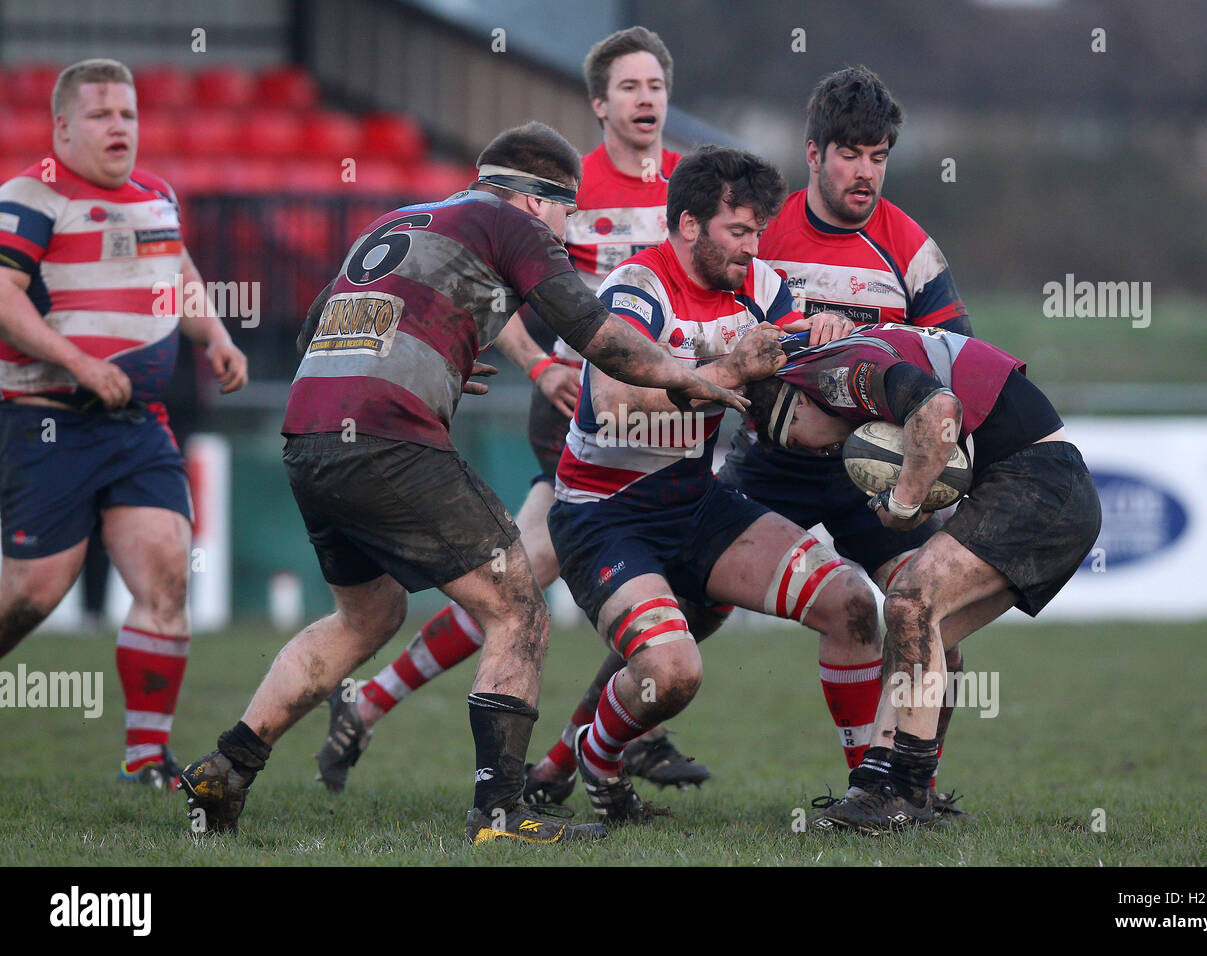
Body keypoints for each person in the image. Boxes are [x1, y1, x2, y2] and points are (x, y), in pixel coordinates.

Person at [177, 122, 747, 845]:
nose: (566, 229)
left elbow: (314, 331)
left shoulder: (398, 220)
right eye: (566, 212)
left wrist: (431, 344)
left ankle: (227, 765)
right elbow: (593, 331)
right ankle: (500, 814)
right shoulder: (510, 221)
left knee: (367, 616)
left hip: (309, 436)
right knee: (519, 609)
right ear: (537, 199)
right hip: (388, 437)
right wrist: (687, 376)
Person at [315, 26, 712, 799]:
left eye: (656, 86)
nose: (645, 100)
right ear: (598, 103)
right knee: (552, 574)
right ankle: (615, 740)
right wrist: (543, 365)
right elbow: (494, 287)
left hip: (663, 410)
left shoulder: (689, 192)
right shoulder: (575, 188)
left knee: (551, 573)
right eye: (628, 87)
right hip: (578, 411)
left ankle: (381, 702)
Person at [546, 144, 886, 826]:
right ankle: (598, 755)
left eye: (758, 230)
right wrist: (729, 372)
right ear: (690, 225)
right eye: (738, 231)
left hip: (695, 504)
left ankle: (869, 794)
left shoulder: (761, 287)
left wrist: (835, 346)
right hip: (604, 515)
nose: (752, 246)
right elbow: (611, 403)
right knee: (673, 674)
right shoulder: (635, 289)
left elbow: (804, 391)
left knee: (852, 603)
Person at [715, 67, 975, 810]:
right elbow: (725, 338)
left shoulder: (911, 248)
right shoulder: (764, 235)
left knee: (932, 620)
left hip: (875, 471)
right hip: (775, 459)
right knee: (687, 603)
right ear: (814, 152)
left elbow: (954, 361)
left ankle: (903, 788)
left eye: (879, 155)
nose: (865, 171)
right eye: (850, 153)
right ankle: (585, 754)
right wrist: (800, 337)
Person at [742, 323, 1102, 831]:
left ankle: (908, 791)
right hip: (1048, 483)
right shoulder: (842, 357)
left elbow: (939, 411)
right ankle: (875, 786)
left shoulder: (829, 374)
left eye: (800, 441)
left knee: (910, 601)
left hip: (1038, 482)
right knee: (917, 631)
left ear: (794, 406)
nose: (820, 454)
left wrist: (904, 500)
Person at [0, 59, 248, 787]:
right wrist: (78, 363)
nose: (120, 128)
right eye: (103, 115)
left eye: (129, 115)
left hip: (137, 425)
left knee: (167, 570)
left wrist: (219, 336)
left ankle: (146, 758)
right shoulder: (30, 195)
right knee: (32, 594)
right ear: (63, 128)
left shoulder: (157, 197)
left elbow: (179, 277)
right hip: (46, 421)